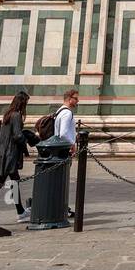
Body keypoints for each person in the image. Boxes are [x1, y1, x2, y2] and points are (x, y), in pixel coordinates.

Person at [0, 92, 36, 227]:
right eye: (26, 102)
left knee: (14, 182)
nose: (26, 105)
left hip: (4, 154)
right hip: (9, 155)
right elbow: (17, 136)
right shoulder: (16, 115)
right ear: (22, 102)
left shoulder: (8, 115)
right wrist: (27, 138)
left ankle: (20, 212)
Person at [53, 89, 80, 218]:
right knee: (62, 181)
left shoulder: (59, 111)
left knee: (60, 181)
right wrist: (72, 144)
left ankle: (62, 207)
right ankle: (62, 209)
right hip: (64, 150)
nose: (77, 101)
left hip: (59, 149)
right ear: (69, 98)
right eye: (76, 98)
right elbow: (63, 133)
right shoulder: (67, 113)